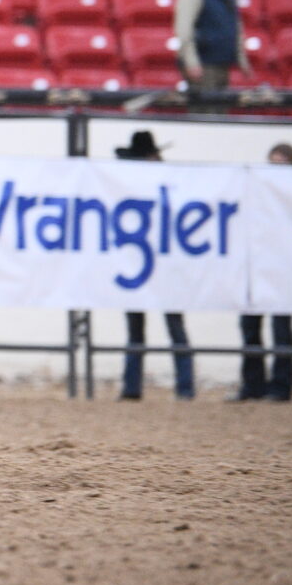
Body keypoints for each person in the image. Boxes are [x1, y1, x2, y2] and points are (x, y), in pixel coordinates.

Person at [116, 130, 193, 402]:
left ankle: (177, 387)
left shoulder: (145, 185)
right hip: (146, 262)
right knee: (155, 328)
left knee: (165, 327)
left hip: (148, 264)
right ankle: (144, 387)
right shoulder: (168, 185)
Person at [232, 143, 292, 402]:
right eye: (274, 163)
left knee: (281, 327)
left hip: (284, 267)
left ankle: (281, 386)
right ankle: (252, 385)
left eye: (282, 163)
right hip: (255, 265)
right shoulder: (257, 192)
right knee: (250, 325)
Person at [172, 0, 251, 104]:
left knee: (219, 109)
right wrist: (191, 61)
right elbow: (184, 29)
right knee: (207, 110)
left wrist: (241, 58)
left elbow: (236, 26)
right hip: (204, 63)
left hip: (220, 62)